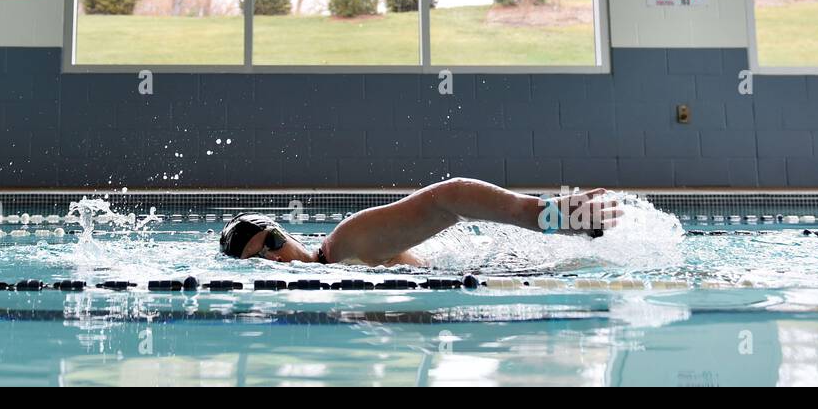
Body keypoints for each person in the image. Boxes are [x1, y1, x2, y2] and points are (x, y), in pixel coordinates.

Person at [219, 178, 622, 267]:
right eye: (258, 260)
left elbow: (449, 199)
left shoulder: (347, 244)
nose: (276, 260)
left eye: (271, 243)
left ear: (285, 234)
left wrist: (546, 214)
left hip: (502, 270)